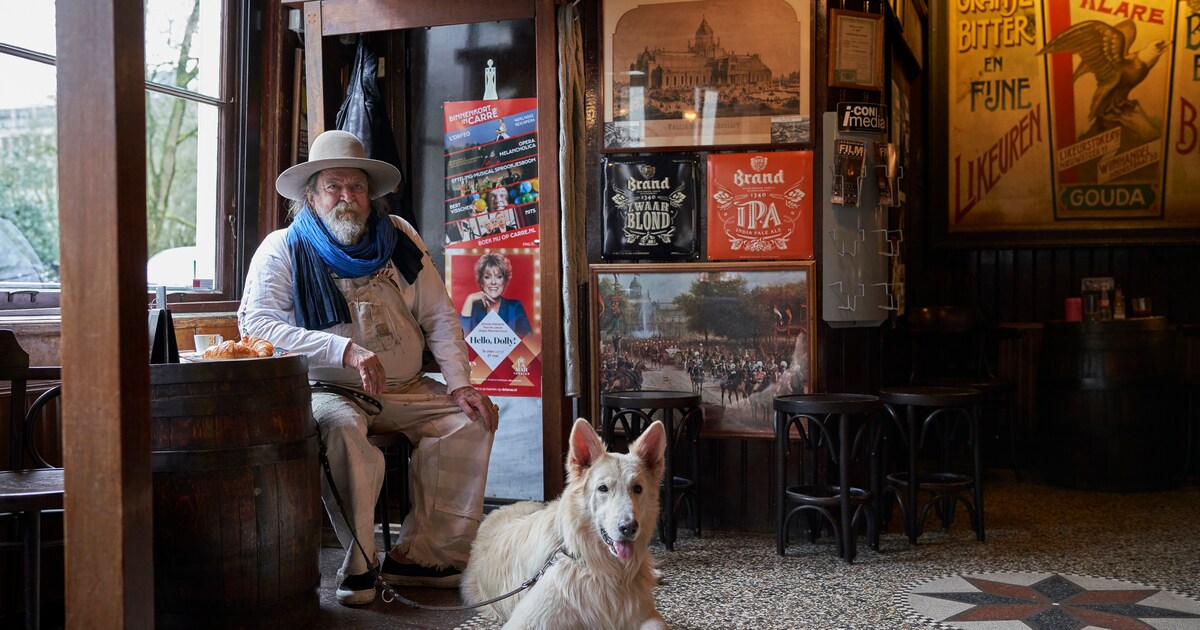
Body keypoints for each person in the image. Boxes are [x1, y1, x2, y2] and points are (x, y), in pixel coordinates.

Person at [237, 130, 499, 606]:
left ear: (370, 194)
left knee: (471, 419)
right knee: (341, 432)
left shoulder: (398, 237)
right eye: (334, 186)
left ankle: (423, 557)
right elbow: (257, 326)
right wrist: (345, 351)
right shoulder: (282, 248)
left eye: (356, 187)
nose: (346, 197)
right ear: (311, 195)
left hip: (404, 386)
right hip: (330, 388)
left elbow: (439, 314)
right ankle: (361, 562)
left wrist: (461, 385)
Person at [459, 252, 532, 339]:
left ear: (505, 281)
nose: (493, 282)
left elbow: (530, 343)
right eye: (487, 277)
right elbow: (461, 341)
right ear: (481, 282)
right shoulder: (472, 308)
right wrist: (469, 299)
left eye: (499, 277)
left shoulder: (515, 307)